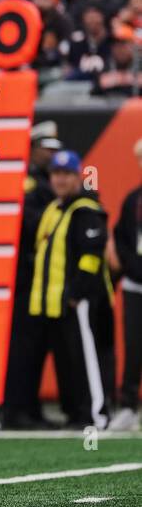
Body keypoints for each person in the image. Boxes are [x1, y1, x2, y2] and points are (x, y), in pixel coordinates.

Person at [3, 150, 111, 431]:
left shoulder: (86, 209)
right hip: (52, 302)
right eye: (56, 174)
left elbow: (91, 255)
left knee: (85, 359)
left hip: (78, 301)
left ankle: (95, 415)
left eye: (66, 174)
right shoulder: (54, 209)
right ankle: (76, 413)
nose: (60, 180)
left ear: (78, 176)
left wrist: (77, 293)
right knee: (68, 362)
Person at [110, 138, 142, 432]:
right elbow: (121, 239)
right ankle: (129, 405)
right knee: (133, 347)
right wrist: (134, 268)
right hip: (135, 286)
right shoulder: (133, 200)